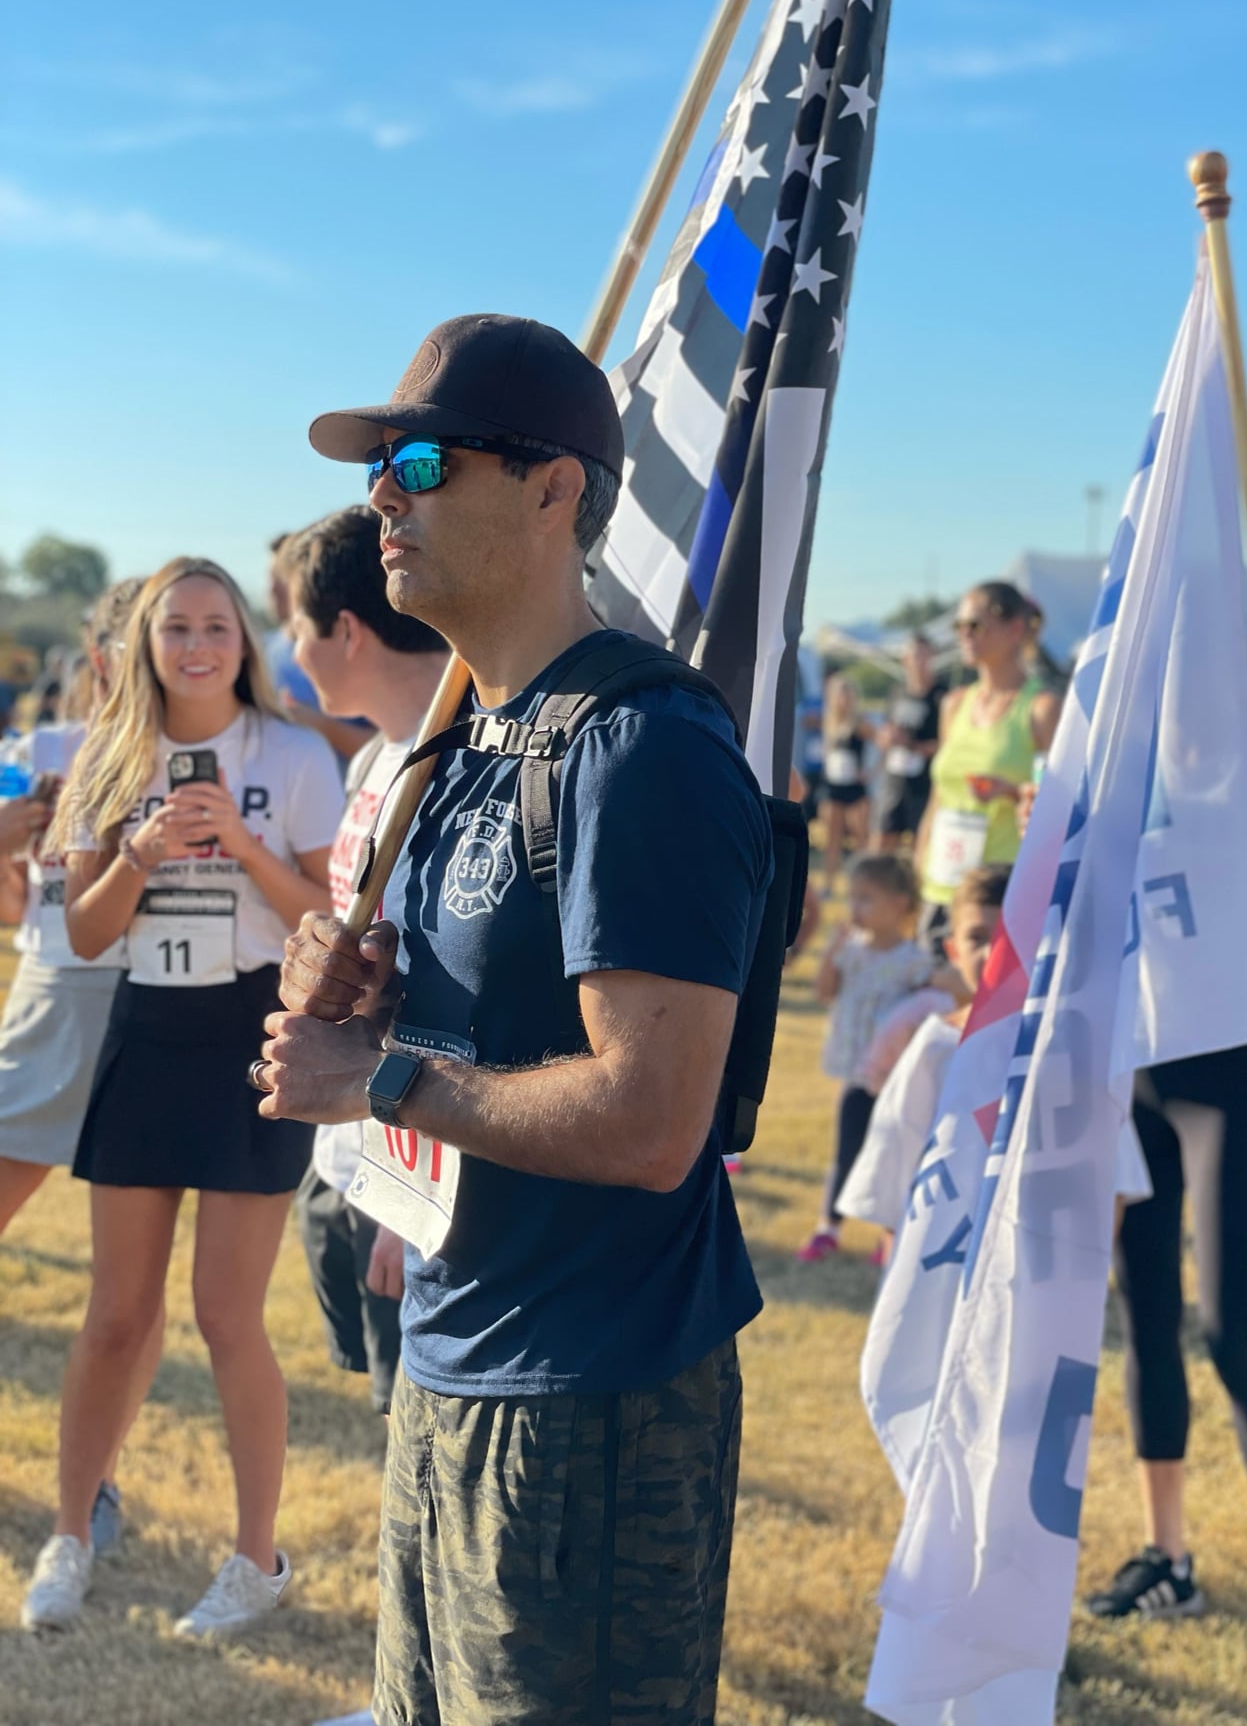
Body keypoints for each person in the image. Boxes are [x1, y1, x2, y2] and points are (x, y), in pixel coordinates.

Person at [253, 313, 773, 1726]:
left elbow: (654, 1120)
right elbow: (477, 1016)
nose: (385, 497)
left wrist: (381, 1074)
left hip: (592, 1400)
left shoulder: (642, 748)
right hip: (455, 1358)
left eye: (421, 459)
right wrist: (373, 990)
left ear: (554, 490)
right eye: (381, 469)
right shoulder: (470, 736)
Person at [20, 557, 344, 1639]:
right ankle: (69, 1534)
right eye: (177, 629)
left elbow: (320, 913)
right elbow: (83, 932)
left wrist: (242, 840)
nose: (198, 645)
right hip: (147, 1022)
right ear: (146, 646)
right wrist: (145, 849)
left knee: (225, 1312)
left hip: (252, 1029)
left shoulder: (292, 754)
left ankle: (257, 1558)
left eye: (217, 625)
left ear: (244, 641)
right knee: (115, 1315)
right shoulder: (108, 755)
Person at [1087, 706, 1247, 1678]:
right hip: (1135, 1067)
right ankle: (1170, 1554)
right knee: (1145, 1317)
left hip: (1230, 1075)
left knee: (1232, 1329)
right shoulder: (1122, 763)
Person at [285, 506, 449, 1420]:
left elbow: (444, 991)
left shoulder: (453, 757)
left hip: (406, 1172)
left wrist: (401, 1189)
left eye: (297, 628)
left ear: (346, 630)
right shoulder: (374, 762)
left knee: (417, 1436)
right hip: (351, 1153)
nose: (292, 652)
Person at [0, 580, 150, 1560]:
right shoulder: (45, 753)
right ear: (102, 661)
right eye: (143, 645)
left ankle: (87, 1486)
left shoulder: (221, 750)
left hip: (160, 1026)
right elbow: (16, 906)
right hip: (52, 1009)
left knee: (126, 1294)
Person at [835, 864, 1006, 1254]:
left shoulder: (1058, 1050)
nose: (994, 953)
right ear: (953, 951)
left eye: (1010, 938)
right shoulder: (934, 1045)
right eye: (978, 937)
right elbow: (897, 1162)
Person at [796, 852, 934, 1262]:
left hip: (896, 1077)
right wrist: (830, 955)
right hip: (856, 1074)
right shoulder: (851, 951)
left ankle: (890, 1233)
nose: (854, 907)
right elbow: (824, 992)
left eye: (866, 898)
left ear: (901, 905)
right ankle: (829, 1227)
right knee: (848, 1148)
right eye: (852, 897)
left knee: (896, 1150)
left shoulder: (914, 963)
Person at [918, 582, 1060, 941]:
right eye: (959, 626)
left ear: (1015, 629)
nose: (965, 635)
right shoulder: (953, 704)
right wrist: (920, 855)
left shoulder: (1041, 708)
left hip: (1000, 892)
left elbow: (1060, 806)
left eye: (976, 625)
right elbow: (939, 792)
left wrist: (1011, 792)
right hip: (943, 884)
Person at [265, 532, 373, 767]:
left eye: (281, 579)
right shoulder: (261, 653)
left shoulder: (352, 649)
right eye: (269, 578)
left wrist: (317, 725)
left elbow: (395, 750)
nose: (272, 590)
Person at [874, 634, 944, 852]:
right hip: (895, 783)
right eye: (914, 656)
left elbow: (948, 745)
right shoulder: (897, 693)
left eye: (924, 656)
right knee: (881, 842)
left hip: (925, 786)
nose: (919, 662)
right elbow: (883, 735)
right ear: (905, 660)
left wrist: (912, 745)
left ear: (932, 658)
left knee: (920, 847)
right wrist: (885, 739)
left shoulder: (941, 696)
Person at [819, 672, 874, 893]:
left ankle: (865, 885)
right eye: (839, 693)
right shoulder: (829, 722)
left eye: (847, 693)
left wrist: (870, 772)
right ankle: (829, 884)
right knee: (831, 839)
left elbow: (885, 743)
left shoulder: (859, 723)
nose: (843, 698)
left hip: (854, 788)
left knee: (861, 839)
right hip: (833, 786)